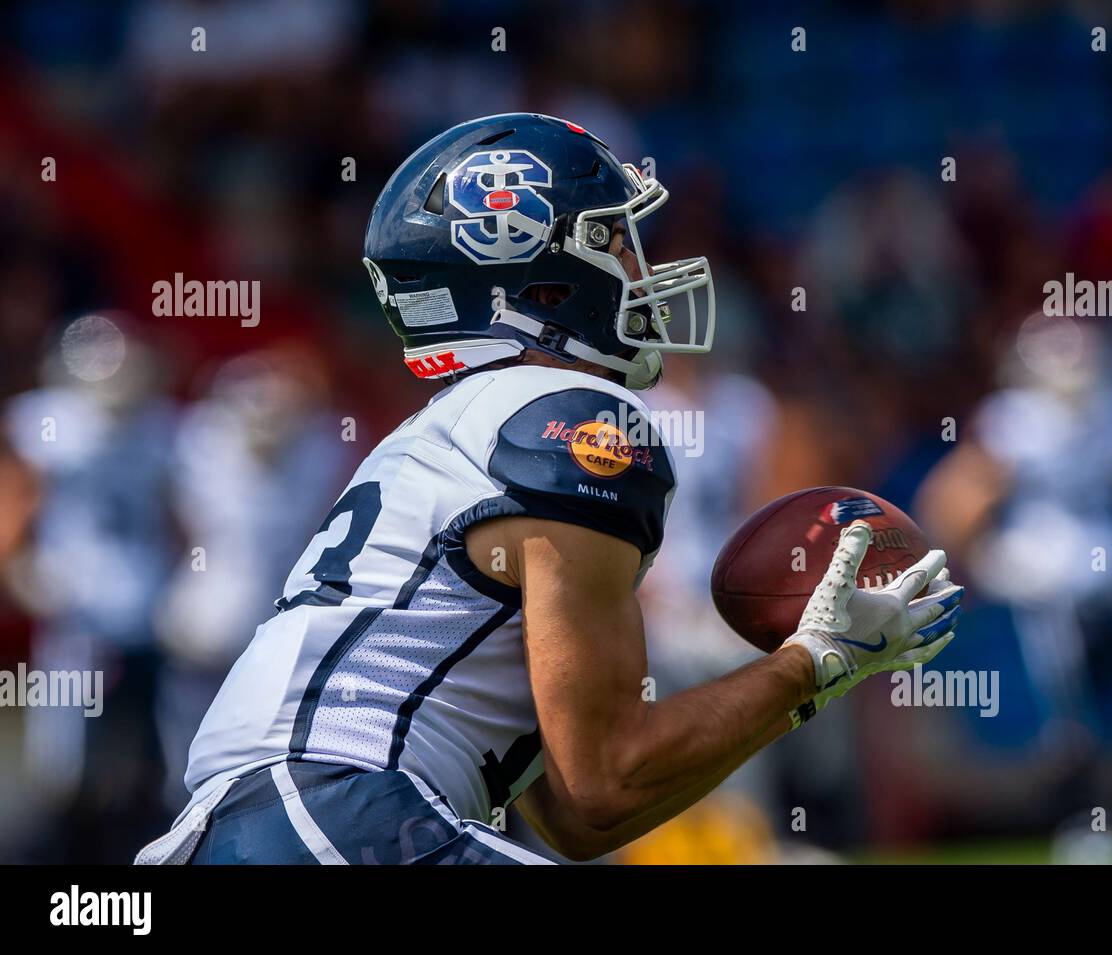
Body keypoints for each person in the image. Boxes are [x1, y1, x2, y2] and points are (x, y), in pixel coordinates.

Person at [135, 114, 964, 865]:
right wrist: (815, 661)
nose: (642, 265)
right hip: (342, 809)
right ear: (538, 280)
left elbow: (579, 813)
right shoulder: (570, 417)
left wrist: (811, 673)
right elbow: (607, 776)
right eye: (615, 237)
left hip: (272, 821)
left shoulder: (467, 425)